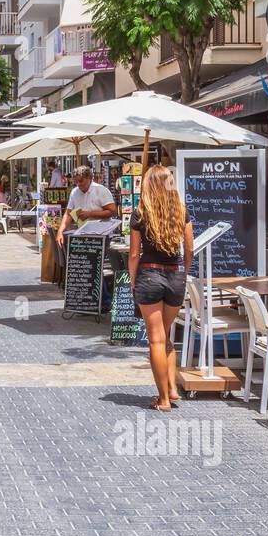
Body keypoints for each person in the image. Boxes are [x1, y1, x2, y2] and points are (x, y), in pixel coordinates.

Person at [129, 165, 194, 412]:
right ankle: (173, 389)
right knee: (167, 336)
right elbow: (189, 250)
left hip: (150, 274)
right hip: (175, 276)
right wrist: (184, 272)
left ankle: (163, 399)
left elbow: (134, 254)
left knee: (156, 339)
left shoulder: (141, 213)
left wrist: (133, 279)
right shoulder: (182, 211)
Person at [57, 165, 118, 246]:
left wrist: (89, 214)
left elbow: (113, 212)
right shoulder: (74, 192)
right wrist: (60, 231)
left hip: (101, 235)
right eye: (76, 182)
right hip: (82, 235)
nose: (78, 184)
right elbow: (68, 214)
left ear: (89, 178)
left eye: (81, 181)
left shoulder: (101, 190)